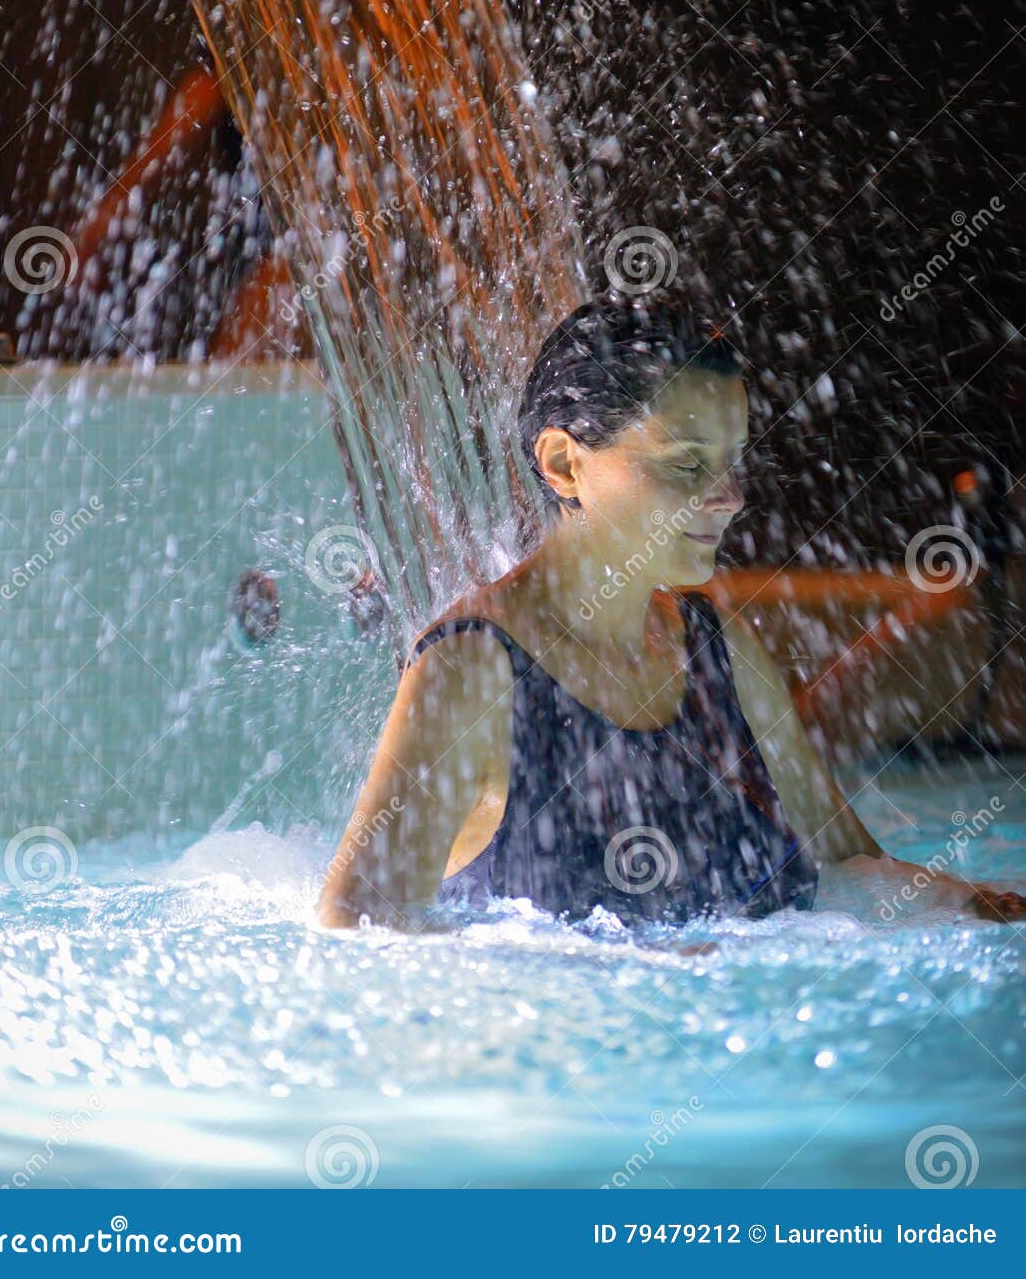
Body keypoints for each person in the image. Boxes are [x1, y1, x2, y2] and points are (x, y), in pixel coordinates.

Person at [317, 292, 1025, 932]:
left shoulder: (720, 647)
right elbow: (355, 922)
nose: (730, 497)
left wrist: (967, 903)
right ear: (565, 464)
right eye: (688, 465)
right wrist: (607, 971)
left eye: (734, 463)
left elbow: (844, 865)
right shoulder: (470, 670)